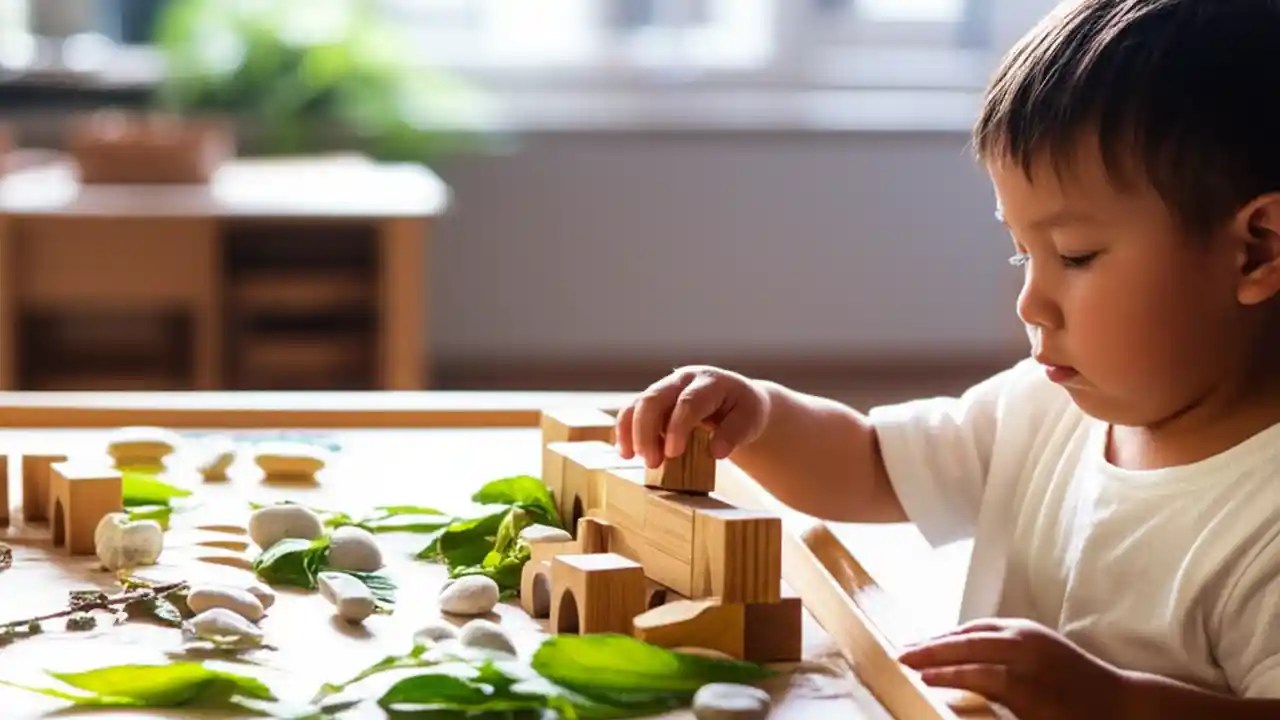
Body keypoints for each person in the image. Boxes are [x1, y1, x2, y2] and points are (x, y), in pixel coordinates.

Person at [613, 1, 1280, 717]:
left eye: (1076, 256)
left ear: (1256, 249)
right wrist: (761, 415)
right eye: (1022, 252)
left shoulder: (1263, 517)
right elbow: (868, 463)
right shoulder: (1040, 404)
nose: (1029, 301)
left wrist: (1116, 703)